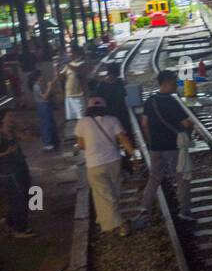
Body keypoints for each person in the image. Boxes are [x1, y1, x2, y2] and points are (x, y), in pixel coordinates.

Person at [135, 69, 194, 225]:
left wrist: (151, 141)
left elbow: (144, 124)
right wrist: (188, 134)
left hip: (155, 147)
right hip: (172, 146)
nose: (176, 86)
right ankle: (185, 211)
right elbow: (187, 123)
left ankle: (144, 209)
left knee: (154, 178)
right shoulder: (172, 102)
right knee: (181, 177)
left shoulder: (150, 100)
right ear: (166, 83)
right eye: (175, 83)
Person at [74, 95, 136, 237]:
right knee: (113, 192)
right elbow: (123, 139)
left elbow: (81, 145)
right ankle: (107, 221)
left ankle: (119, 224)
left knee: (103, 195)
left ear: (89, 108)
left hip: (94, 165)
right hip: (113, 161)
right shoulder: (113, 120)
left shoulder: (82, 122)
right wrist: (133, 155)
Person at [0, 109, 35, 238]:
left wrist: (23, 125)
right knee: (19, 199)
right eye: (10, 116)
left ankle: (10, 221)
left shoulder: (12, 132)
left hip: (20, 167)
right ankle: (19, 229)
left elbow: (29, 138)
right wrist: (7, 152)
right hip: (9, 172)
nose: (12, 118)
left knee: (24, 196)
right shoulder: (1, 135)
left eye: (13, 116)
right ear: (2, 119)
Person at [29, 66, 60, 150]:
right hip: (43, 106)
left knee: (51, 123)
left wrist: (55, 77)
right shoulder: (36, 86)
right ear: (37, 77)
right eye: (41, 75)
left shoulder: (39, 85)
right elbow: (45, 97)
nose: (42, 77)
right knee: (46, 124)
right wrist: (49, 87)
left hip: (46, 105)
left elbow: (50, 85)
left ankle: (53, 140)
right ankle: (47, 143)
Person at [60, 44, 89, 127]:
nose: (68, 54)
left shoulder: (82, 62)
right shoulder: (69, 64)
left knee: (82, 117)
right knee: (75, 119)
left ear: (75, 52)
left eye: (70, 52)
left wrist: (67, 63)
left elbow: (78, 70)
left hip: (79, 94)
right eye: (68, 52)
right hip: (69, 95)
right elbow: (62, 76)